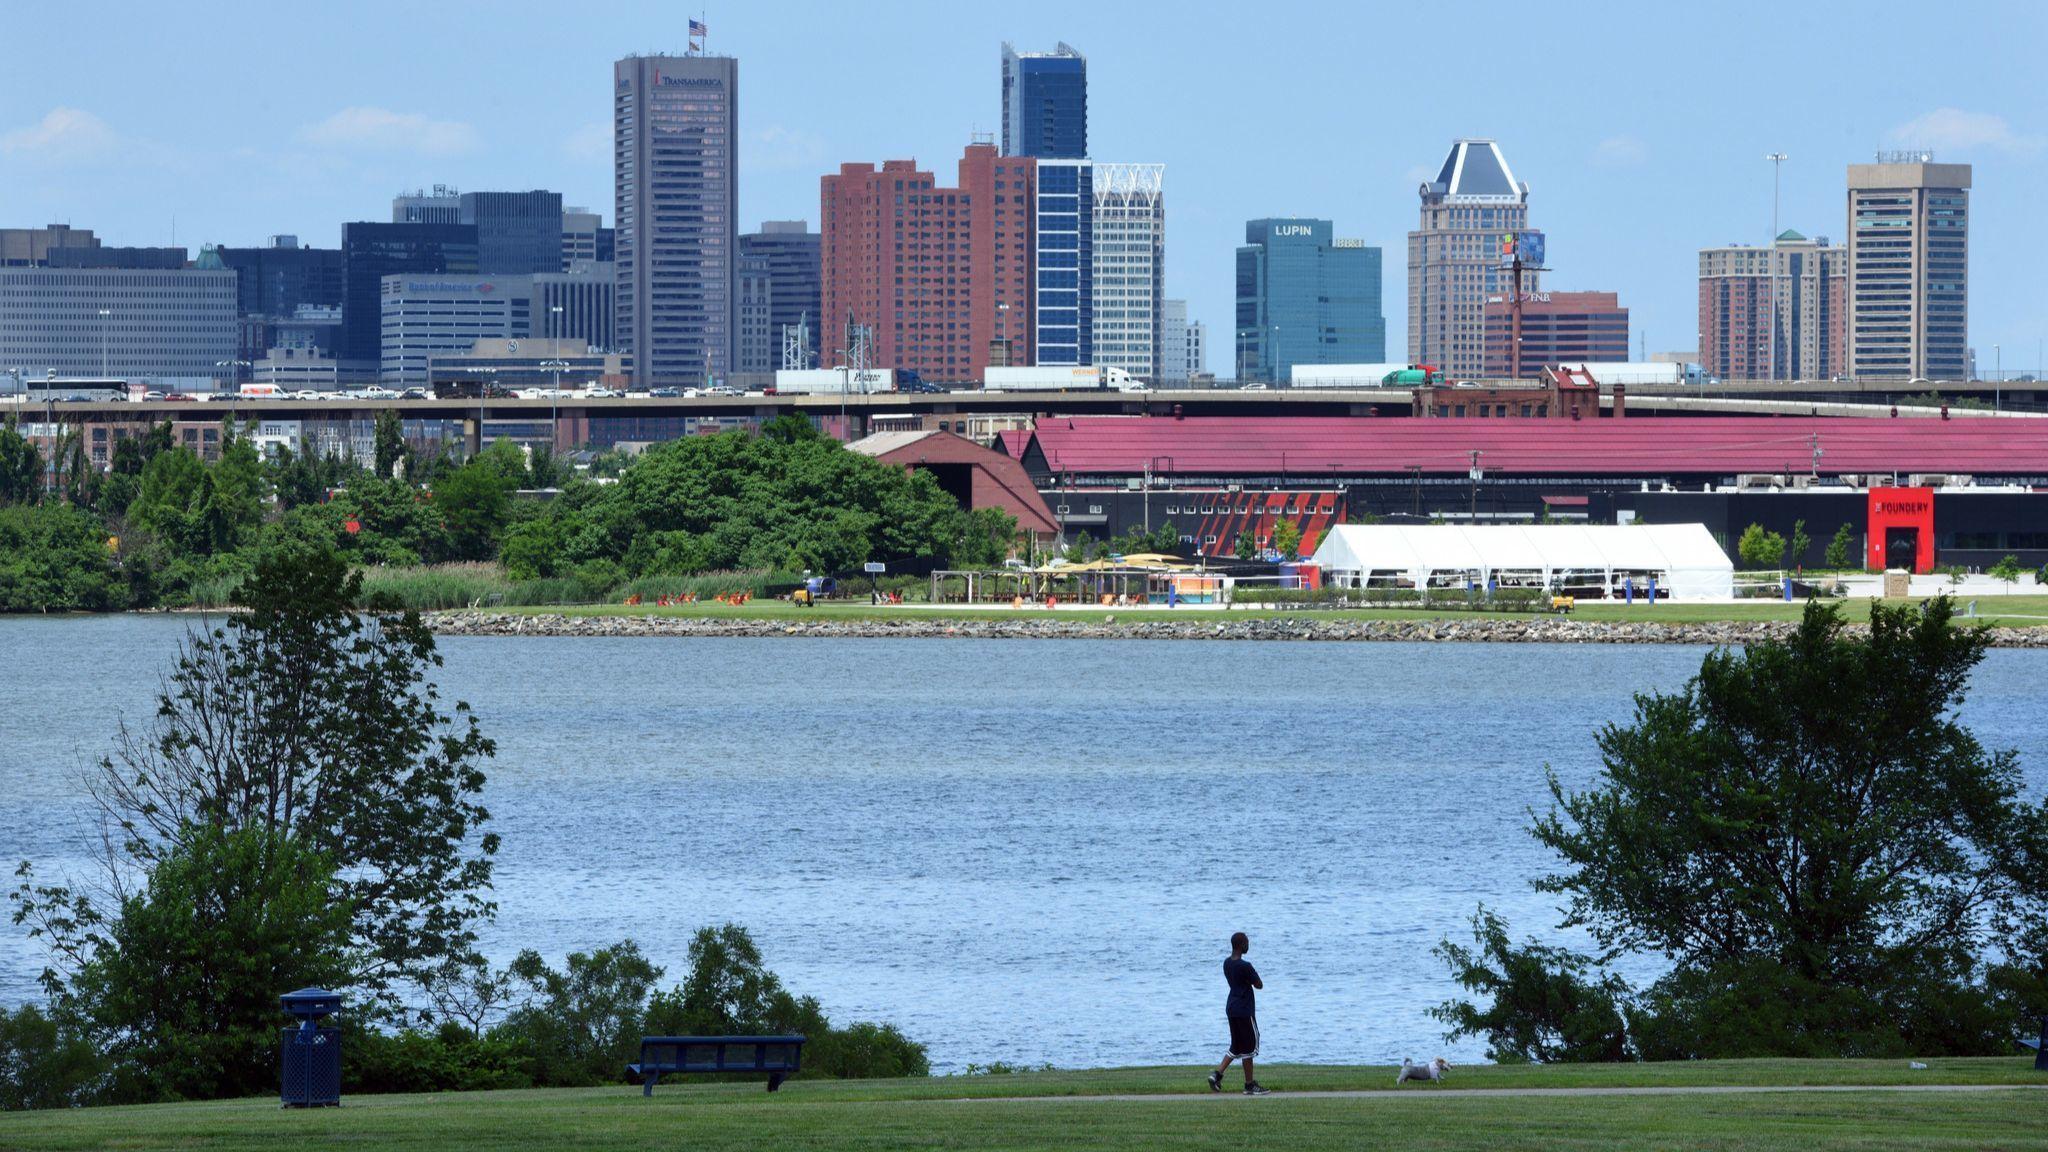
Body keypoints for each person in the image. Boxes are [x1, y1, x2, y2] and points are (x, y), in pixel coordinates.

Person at [1209, 931, 1268, 1095]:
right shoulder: (1245, 966)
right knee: (1249, 1047)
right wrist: (1251, 979)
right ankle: (1249, 1085)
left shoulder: (1227, 963)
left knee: (1237, 1045)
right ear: (1242, 945)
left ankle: (1217, 1074)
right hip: (1244, 1010)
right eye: (1247, 943)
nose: (1248, 945)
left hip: (1231, 1007)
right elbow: (1259, 984)